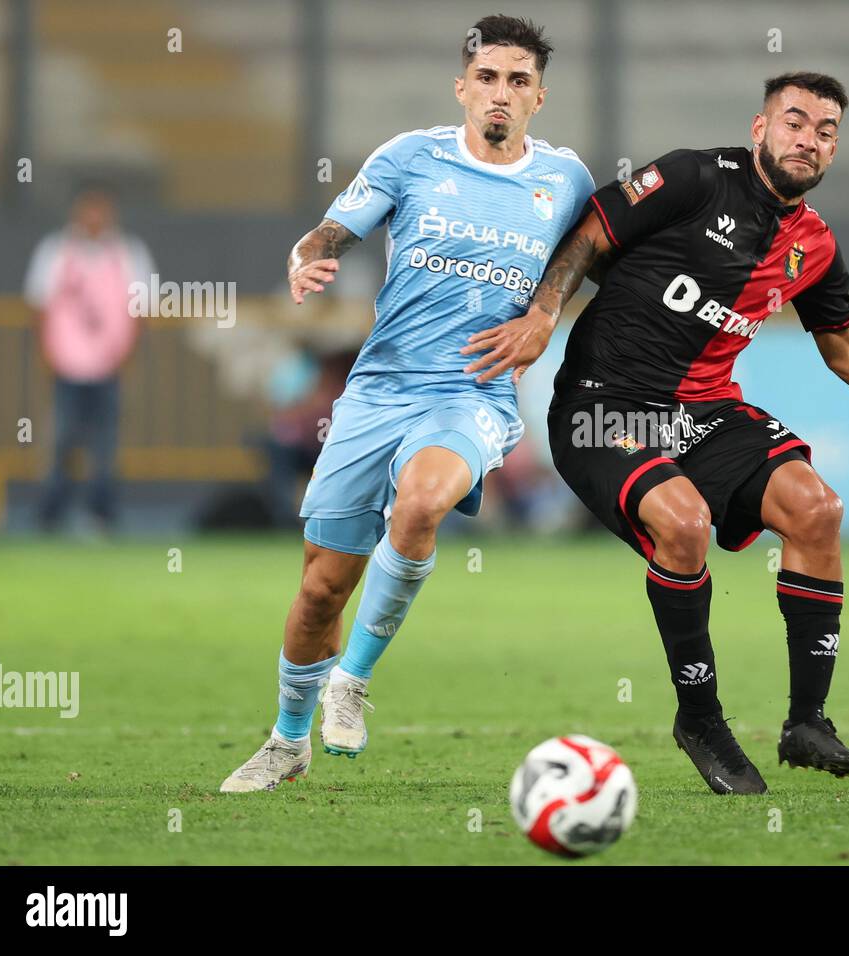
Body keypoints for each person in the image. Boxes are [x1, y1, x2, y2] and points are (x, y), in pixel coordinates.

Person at [464, 72, 849, 795]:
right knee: (684, 522)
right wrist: (544, 314)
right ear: (760, 129)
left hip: (704, 414)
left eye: (826, 131)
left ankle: (808, 721)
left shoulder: (814, 245)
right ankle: (700, 718)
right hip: (606, 409)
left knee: (817, 510)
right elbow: (592, 232)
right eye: (794, 122)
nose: (809, 139)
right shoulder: (694, 178)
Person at [221, 15, 595, 792]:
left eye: (518, 81)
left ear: (539, 98)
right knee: (321, 589)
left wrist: (546, 309)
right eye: (487, 77)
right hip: (379, 391)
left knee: (421, 504)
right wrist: (307, 262)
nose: (501, 93)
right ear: (462, 87)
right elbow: (328, 233)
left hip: (472, 394)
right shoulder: (411, 157)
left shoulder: (564, 179)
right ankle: (288, 741)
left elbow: (584, 251)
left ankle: (350, 682)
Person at [24, 183, 153, 533]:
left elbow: (140, 307)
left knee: (105, 445)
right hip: (66, 364)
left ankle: (102, 515)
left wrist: (126, 354)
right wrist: (48, 353)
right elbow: (39, 304)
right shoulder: (55, 250)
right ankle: (51, 515)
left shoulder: (128, 252)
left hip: (109, 365)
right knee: (61, 439)